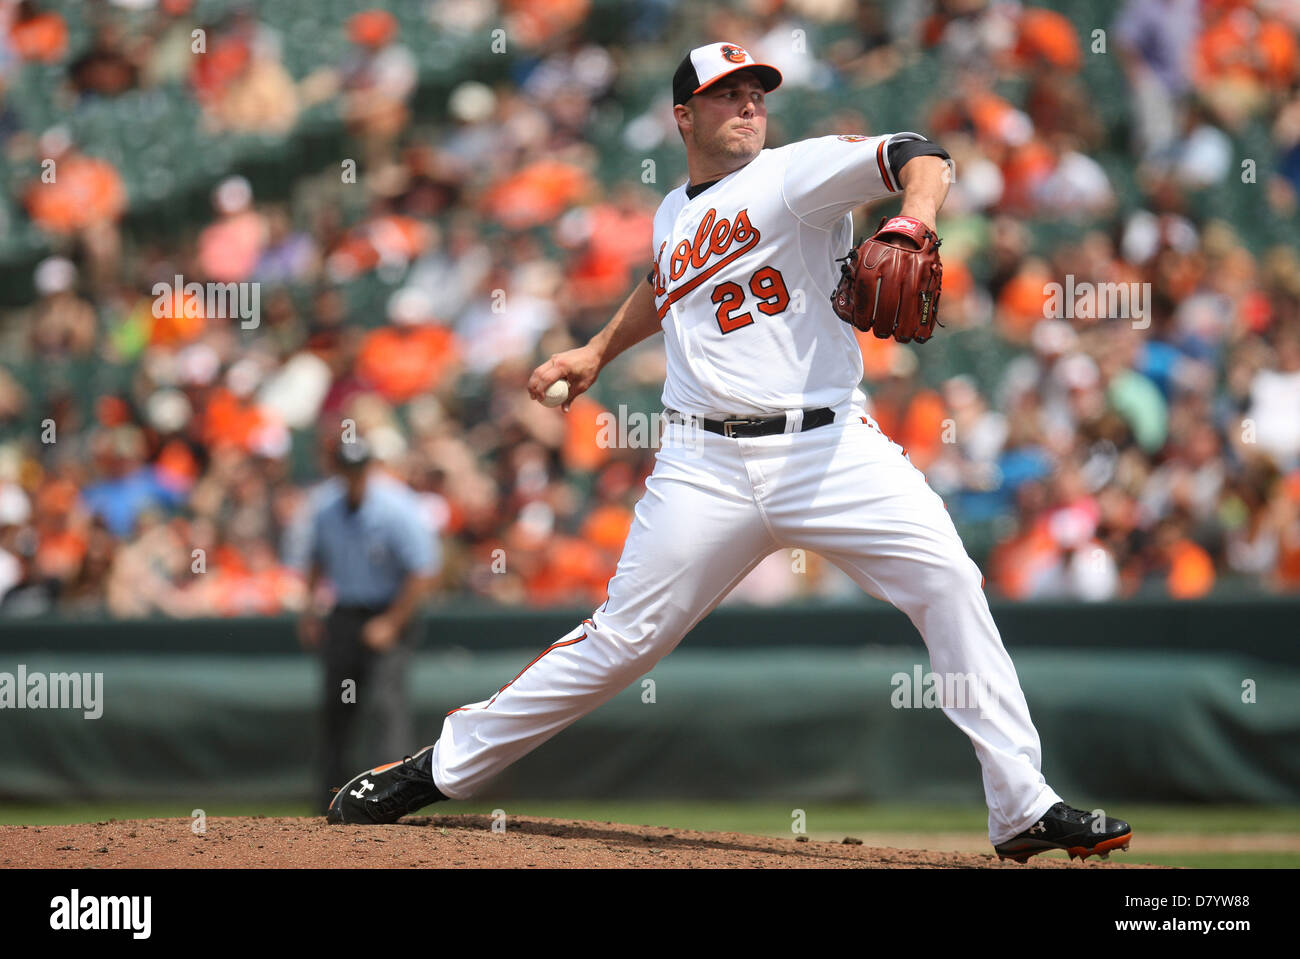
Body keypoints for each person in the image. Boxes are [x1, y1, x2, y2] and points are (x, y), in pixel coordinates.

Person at [326, 43, 1133, 864]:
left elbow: (920, 154)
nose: (748, 105)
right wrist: (597, 351)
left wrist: (913, 218)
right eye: (726, 95)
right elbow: (664, 280)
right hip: (702, 463)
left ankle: (1022, 806)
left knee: (951, 581)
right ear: (684, 116)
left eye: (756, 91)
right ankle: (437, 768)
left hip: (828, 447)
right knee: (622, 640)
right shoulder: (672, 211)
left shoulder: (795, 172)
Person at [290, 438, 440, 812]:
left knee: (386, 709)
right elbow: (315, 561)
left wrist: (391, 621)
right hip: (344, 614)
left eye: (360, 469)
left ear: (369, 468)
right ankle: (328, 800)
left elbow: (423, 571)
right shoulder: (324, 507)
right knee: (337, 707)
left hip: (389, 611)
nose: (354, 476)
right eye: (347, 469)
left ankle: (393, 799)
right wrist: (309, 611)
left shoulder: (395, 506)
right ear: (338, 469)